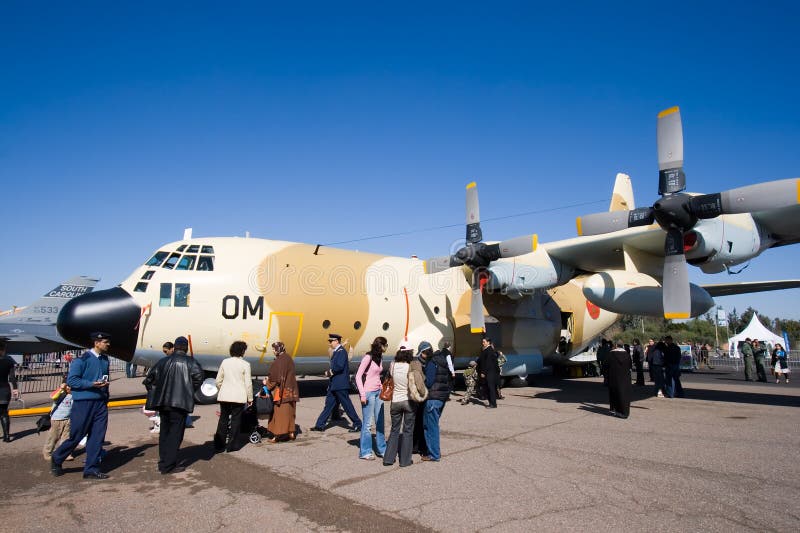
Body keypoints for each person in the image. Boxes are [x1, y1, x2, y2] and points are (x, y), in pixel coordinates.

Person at [51, 332, 112, 479]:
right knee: (76, 435)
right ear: (96, 343)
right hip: (83, 403)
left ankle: (91, 469)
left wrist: (105, 395)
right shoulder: (81, 360)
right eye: (105, 342)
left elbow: (105, 379)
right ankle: (57, 457)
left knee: (97, 437)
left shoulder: (105, 360)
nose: (108, 344)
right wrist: (91, 384)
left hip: (100, 403)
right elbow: (72, 381)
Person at [142, 336, 203, 474]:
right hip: (180, 404)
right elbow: (199, 377)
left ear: (174, 347)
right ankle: (168, 465)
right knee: (176, 434)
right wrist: (188, 390)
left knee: (164, 431)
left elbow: (149, 380)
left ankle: (163, 460)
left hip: (163, 403)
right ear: (186, 348)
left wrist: (156, 391)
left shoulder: (163, 361)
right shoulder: (191, 362)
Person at [311, 334, 362, 432]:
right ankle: (319, 425)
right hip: (334, 384)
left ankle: (358, 424)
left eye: (331, 341)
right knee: (328, 405)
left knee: (347, 405)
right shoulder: (337, 351)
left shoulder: (341, 352)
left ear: (337, 341)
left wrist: (329, 373)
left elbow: (339, 366)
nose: (330, 343)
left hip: (340, 384)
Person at [383, 342, 418, 467]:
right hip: (408, 401)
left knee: (394, 430)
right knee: (408, 431)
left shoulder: (392, 365)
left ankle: (388, 458)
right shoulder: (411, 366)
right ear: (409, 353)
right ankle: (405, 460)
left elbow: (388, 379)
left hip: (395, 401)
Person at [214, 340, 253, 452]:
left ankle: (219, 445)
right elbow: (248, 383)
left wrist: (222, 389)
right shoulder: (246, 364)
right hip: (239, 396)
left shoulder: (225, 362)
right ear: (242, 352)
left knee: (223, 419)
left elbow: (218, 380)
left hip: (225, 395)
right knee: (236, 420)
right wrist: (250, 398)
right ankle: (232, 445)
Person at [354, 336, 388, 460]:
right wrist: (362, 395)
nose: (386, 348)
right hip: (368, 393)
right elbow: (358, 376)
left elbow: (378, 375)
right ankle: (365, 451)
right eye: (385, 345)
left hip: (378, 392)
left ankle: (382, 449)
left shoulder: (380, 357)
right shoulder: (368, 357)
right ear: (380, 345)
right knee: (368, 424)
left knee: (380, 421)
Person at [421, 343, 451, 462]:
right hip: (442, 397)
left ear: (424, 353)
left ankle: (433, 454)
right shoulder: (442, 360)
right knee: (433, 424)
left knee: (431, 426)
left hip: (433, 397)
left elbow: (429, 382)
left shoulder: (431, 362)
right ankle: (433, 451)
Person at [265, 341, 299, 443]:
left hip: (281, 392)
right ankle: (291, 432)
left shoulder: (278, 361)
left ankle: (277, 436)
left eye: (274, 349)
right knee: (290, 412)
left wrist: (266, 383)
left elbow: (275, 379)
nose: (273, 351)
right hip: (291, 391)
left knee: (279, 414)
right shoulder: (289, 358)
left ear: (278, 349)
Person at [43, 381, 75, 461]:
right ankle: (47, 453)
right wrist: (61, 388)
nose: (69, 388)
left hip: (68, 419)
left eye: (70, 387)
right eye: (68, 386)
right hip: (57, 419)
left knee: (66, 438)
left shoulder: (73, 395)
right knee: (53, 437)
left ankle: (65, 453)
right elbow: (53, 396)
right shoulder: (61, 393)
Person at [0, 338, 19, 443]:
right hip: (4, 390)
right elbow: (12, 377)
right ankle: (6, 436)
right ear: (3, 349)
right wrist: (15, 388)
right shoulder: (9, 360)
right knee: (4, 413)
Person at [607, 341, 632, 418]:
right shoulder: (627, 354)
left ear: (616, 345)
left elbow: (606, 364)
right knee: (624, 394)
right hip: (625, 377)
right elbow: (630, 365)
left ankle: (616, 410)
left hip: (614, 377)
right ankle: (625, 412)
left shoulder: (611, 354)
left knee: (615, 394)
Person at [478, 337, 499, 408]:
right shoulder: (485, 350)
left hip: (490, 373)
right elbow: (481, 359)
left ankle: (493, 404)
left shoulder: (489, 350)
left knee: (491, 388)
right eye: (482, 342)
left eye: (484, 342)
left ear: (488, 342)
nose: (482, 343)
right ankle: (491, 403)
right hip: (488, 372)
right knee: (487, 388)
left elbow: (488, 363)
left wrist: (483, 372)